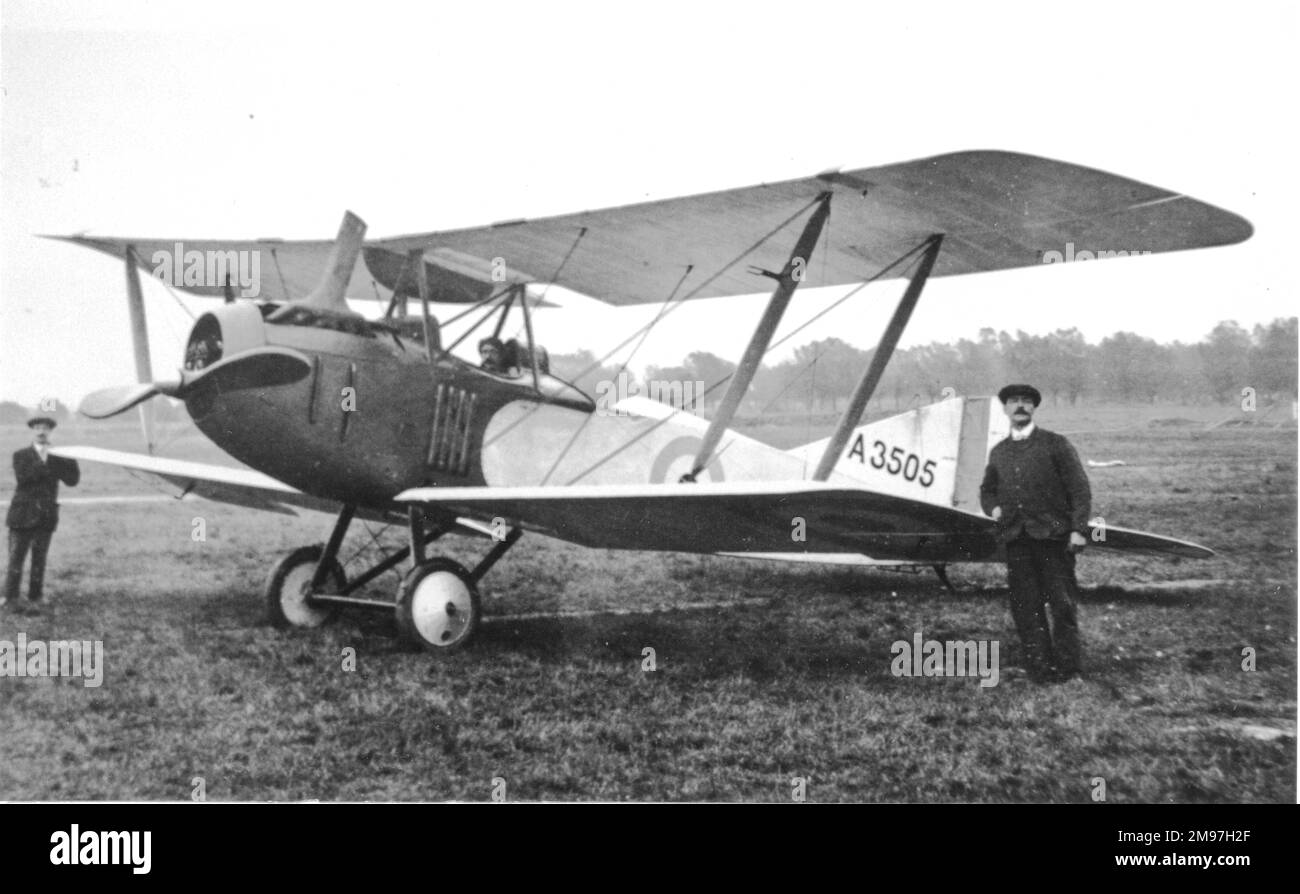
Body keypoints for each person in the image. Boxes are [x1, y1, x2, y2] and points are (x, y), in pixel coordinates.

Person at [979, 384, 1091, 682]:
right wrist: (993, 510)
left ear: (1034, 408)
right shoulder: (1000, 451)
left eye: (1026, 402)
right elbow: (987, 489)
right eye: (1014, 401)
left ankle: (1070, 670)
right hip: (1017, 539)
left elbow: (1079, 488)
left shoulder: (1056, 444)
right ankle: (1039, 669)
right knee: (1026, 607)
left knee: (1062, 604)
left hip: (1053, 538)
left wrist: (1079, 529)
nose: (1020, 407)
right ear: (1005, 408)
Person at [3, 415, 80, 613]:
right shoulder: (20, 455)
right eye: (37, 427)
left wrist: (71, 458)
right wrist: (49, 458)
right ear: (32, 430)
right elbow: (25, 478)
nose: (41, 431)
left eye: (45, 427)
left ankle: (35, 596)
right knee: (16, 558)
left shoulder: (58, 456)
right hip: (22, 515)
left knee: (40, 558)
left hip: (46, 515)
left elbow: (72, 481)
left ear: (50, 431)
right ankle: (9, 597)